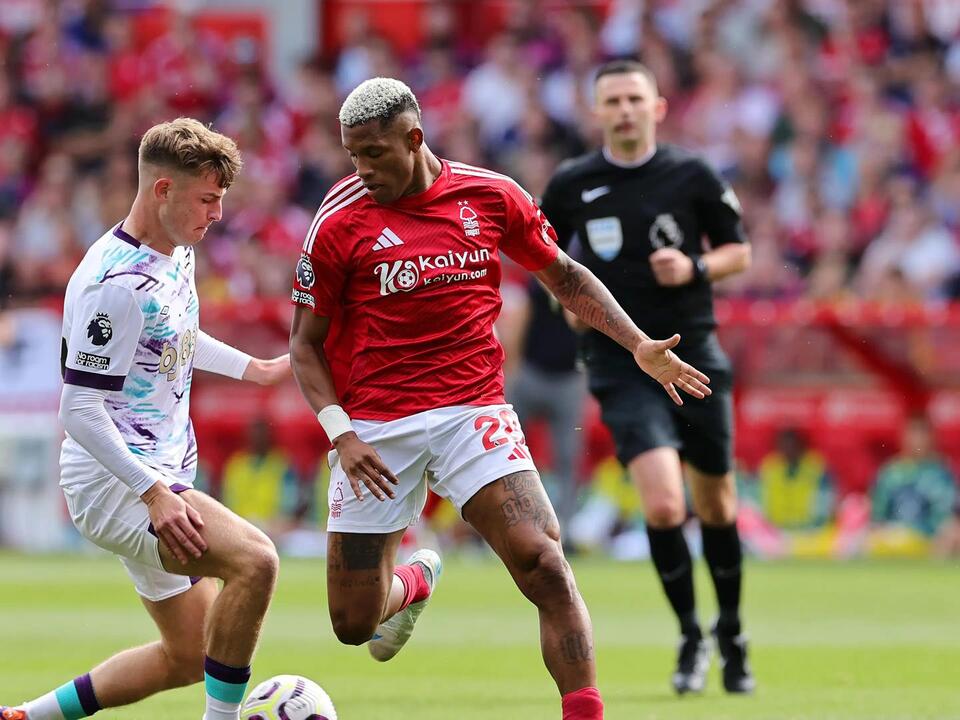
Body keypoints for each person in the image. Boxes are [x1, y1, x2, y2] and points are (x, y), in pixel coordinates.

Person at [288, 77, 711, 720]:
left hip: (473, 410)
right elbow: (303, 346)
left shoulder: (489, 195)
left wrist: (637, 344)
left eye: (374, 153)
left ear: (414, 138)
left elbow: (563, 275)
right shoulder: (339, 220)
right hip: (375, 423)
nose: (362, 169)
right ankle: (414, 581)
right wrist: (341, 434)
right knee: (352, 624)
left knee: (545, 564)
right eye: (353, 155)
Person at [2, 118, 290, 720]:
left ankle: (26, 717)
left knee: (189, 655)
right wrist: (154, 493)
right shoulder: (111, 283)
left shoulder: (177, 250)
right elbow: (78, 409)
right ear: (163, 190)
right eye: (207, 199)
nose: (217, 214)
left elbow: (173, 335)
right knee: (256, 561)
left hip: (155, 476)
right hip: (115, 482)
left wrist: (257, 370)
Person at [539, 59, 754, 695]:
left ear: (657, 108)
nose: (625, 110)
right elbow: (542, 261)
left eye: (635, 98)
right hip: (622, 361)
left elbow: (740, 251)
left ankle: (732, 631)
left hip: (695, 353)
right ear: (597, 112)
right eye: (613, 100)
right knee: (663, 504)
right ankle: (690, 636)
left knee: (717, 504)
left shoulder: (693, 174)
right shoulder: (572, 184)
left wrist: (694, 267)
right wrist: (566, 304)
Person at [502, 277, 586, 540]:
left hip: (570, 380)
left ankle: (564, 530)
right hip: (531, 374)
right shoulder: (539, 280)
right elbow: (522, 321)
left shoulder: (582, 281)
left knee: (568, 458)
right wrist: (513, 371)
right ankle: (507, 525)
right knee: (508, 452)